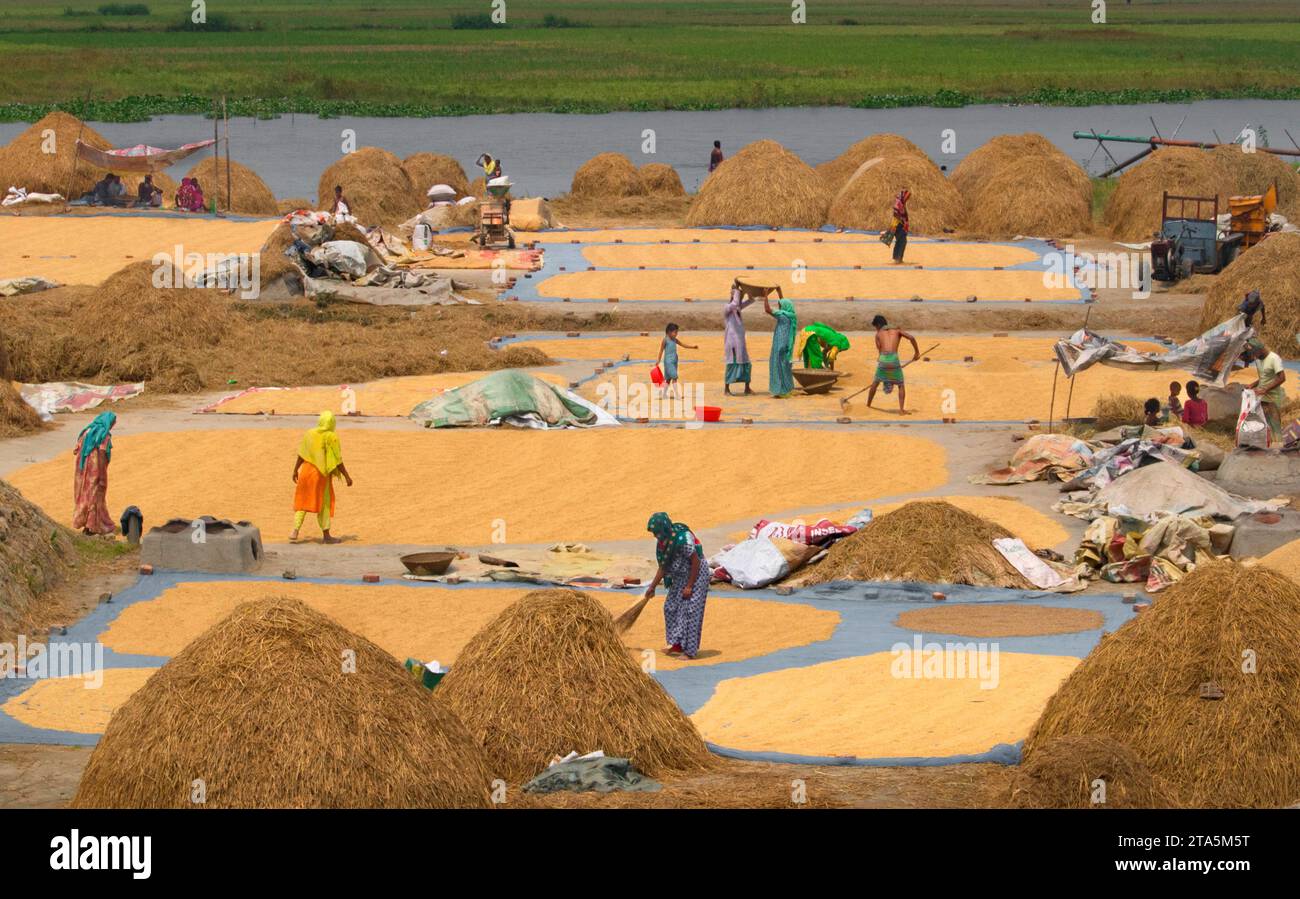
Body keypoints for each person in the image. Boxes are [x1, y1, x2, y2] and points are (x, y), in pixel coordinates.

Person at [643, 512, 709, 660]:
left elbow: (696, 561)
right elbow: (663, 567)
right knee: (670, 607)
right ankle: (676, 644)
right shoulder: (662, 543)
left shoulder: (682, 539)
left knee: (690, 611)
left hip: (696, 575)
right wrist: (652, 587)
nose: (655, 535)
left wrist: (690, 586)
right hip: (680, 576)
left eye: (656, 532)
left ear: (664, 529)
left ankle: (689, 651)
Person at [291, 411, 353, 544]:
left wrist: (295, 470)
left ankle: (295, 530)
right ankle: (326, 536)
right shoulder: (331, 436)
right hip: (321, 474)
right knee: (324, 503)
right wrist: (347, 476)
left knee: (303, 500)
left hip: (305, 471)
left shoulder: (309, 434)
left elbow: (302, 453)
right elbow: (337, 459)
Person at [72, 411, 117, 537]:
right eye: (113, 423)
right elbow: (102, 454)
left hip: (81, 473)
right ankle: (93, 526)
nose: (113, 425)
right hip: (95, 472)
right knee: (95, 496)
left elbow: (76, 450)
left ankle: (84, 522)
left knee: (83, 496)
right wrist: (102, 474)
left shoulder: (86, 432)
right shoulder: (104, 436)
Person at [866, 314, 920, 414]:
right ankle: (901, 410)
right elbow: (911, 338)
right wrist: (916, 352)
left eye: (876, 327)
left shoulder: (878, 334)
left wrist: (885, 365)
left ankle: (868, 404)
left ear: (878, 325)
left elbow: (880, 351)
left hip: (883, 359)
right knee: (900, 384)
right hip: (894, 359)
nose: (876, 329)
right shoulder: (897, 330)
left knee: (875, 382)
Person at [1245, 337, 1287, 443]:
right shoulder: (1260, 360)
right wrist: (1253, 385)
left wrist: (1266, 389)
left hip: (1273, 398)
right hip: (1262, 397)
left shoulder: (1274, 358)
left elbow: (1282, 378)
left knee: (1275, 425)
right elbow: (1264, 377)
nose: (1254, 356)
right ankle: (1269, 446)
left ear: (1260, 349)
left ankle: (1278, 449)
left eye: (1255, 353)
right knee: (1265, 424)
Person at [723, 281, 754, 395]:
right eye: (738, 295)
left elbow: (751, 300)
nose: (739, 298)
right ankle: (727, 389)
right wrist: (736, 291)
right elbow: (734, 303)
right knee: (732, 363)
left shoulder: (738, 308)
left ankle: (747, 388)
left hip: (740, 342)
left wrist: (747, 291)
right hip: (732, 343)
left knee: (747, 363)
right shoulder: (727, 308)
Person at [656, 323, 696, 398]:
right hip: (668, 362)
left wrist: (692, 347)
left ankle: (663, 394)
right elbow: (661, 350)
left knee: (668, 379)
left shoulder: (675, 339)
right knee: (674, 377)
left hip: (674, 361)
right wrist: (658, 360)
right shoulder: (665, 340)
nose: (676, 334)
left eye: (677, 332)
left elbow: (683, 345)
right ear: (669, 332)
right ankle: (677, 394)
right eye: (675, 332)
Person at [890, 189, 911, 264]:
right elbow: (896, 214)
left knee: (901, 241)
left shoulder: (901, 203)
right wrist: (902, 221)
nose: (907, 199)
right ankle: (897, 259)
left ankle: (898, 258)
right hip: (898, 225)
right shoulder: (899, 203)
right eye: (906, 197)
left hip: (901, 225)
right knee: (901, 241)